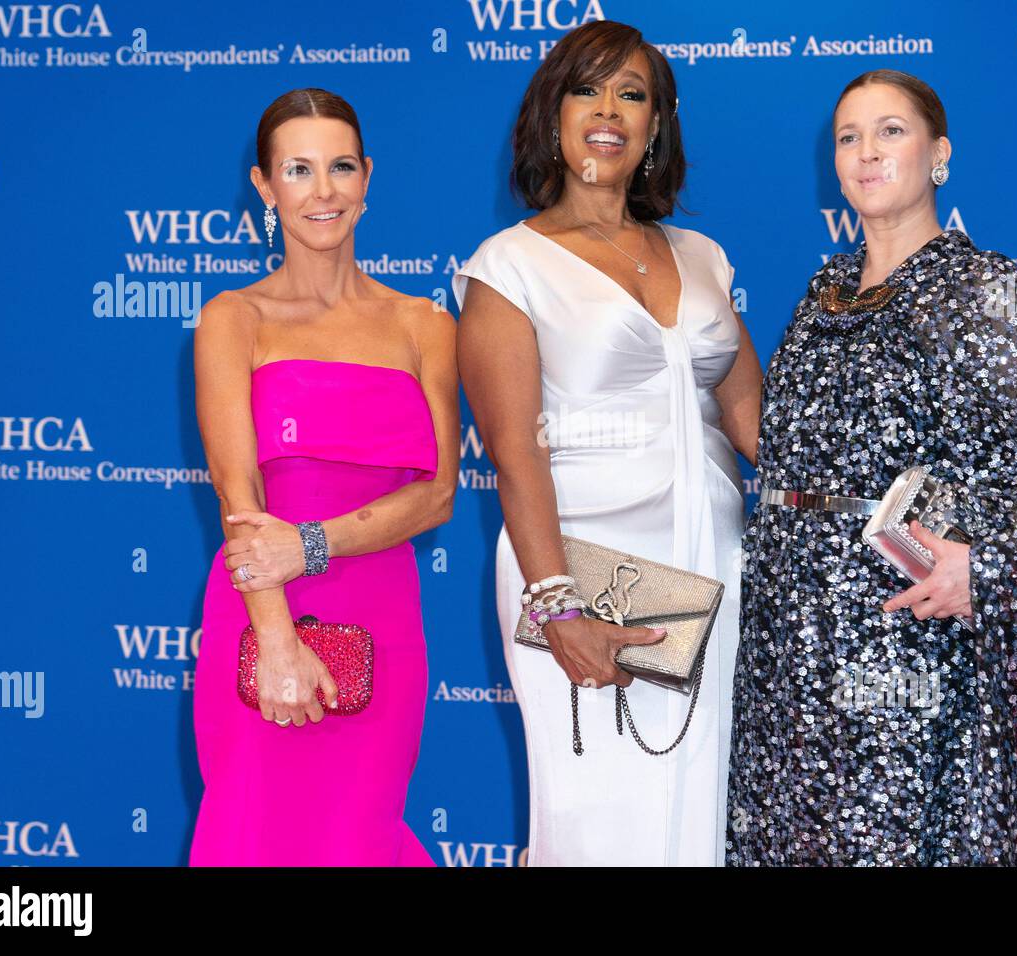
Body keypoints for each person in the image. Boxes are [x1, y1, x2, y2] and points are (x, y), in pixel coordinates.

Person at [726, 70, 1017, 866]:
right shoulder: (823, 291)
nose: (867, 152)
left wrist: (990, 567)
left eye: (891, 131)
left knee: (891, 834)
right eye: (848, 136)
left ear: (939, 154)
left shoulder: (983, 286)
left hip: (899, 628)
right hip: (791, 631)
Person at [454, 20, 762, 866]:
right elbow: (513, 451)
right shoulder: (506, 267)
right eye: (588, 89)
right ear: (551, 113)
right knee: (597, 815)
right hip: (588, 576)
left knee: (699, 807)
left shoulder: (702, 257)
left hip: (715, 571)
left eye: (634, 94)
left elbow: (754, 425)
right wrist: (557, 605)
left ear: (657, 123)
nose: (610, 111)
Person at [188, 88, 459, 866]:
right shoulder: (234, 319)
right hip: (261, 611)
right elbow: (239, 499)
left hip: (381, 612)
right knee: (256, 830)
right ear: (265, 186)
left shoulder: (424, 325)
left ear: (367, 177)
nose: (324, 191)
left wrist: (310, 543)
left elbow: (438, 494)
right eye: (298, 171)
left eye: (340, 167)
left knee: (360, 830)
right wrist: (275, 642)